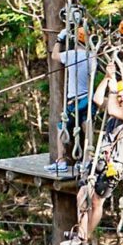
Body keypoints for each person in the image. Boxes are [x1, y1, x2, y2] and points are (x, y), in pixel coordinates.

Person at [59, 59, 123, 245]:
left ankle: (83, 236)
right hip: (100, 160)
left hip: (115, 165)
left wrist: (114, 91)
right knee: (82, 195)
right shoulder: (115, 108)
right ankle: (80, 234)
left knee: (96, 201)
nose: (121, 99)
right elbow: (97, 99)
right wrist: (107, 78)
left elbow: (112, 109)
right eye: (119, 96)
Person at [47, 27, 97, 173]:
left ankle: (61, 160)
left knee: (61, 127)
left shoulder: (70, 55)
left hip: (73, 100)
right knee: (87, 126)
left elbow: (54, 55)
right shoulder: (91, 56)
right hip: (87, 98)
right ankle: (87, 159)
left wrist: (60, 39)